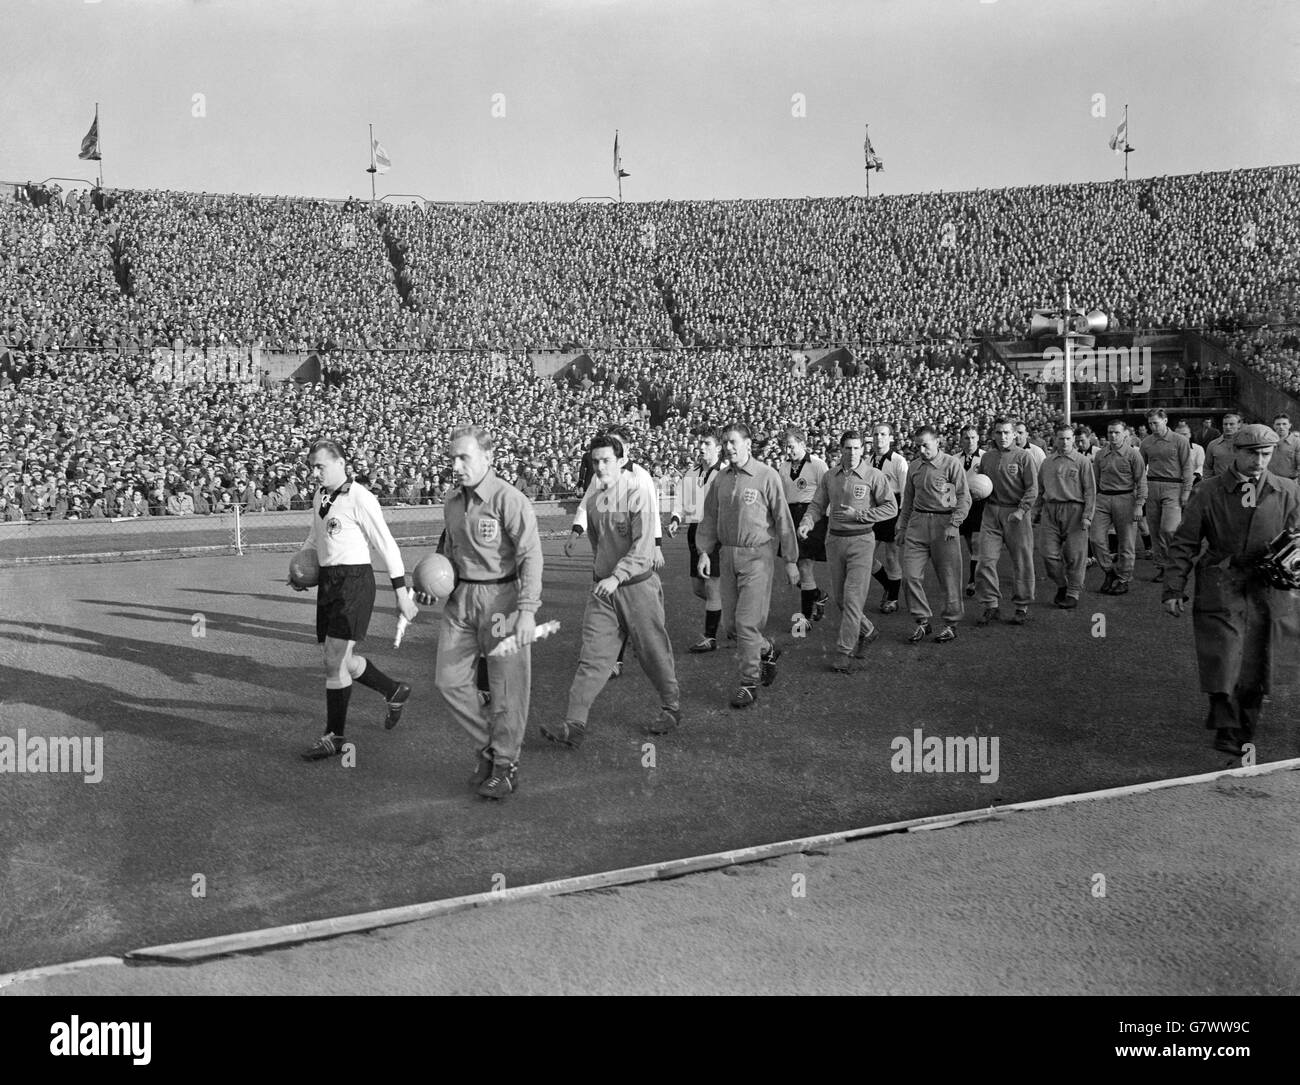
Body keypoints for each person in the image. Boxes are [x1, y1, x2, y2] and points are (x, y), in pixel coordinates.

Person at [1163, 424, 1300, 756]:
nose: (1259, 461)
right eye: (1252, 453)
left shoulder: (1287, 490)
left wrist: (1292, 563)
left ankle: (1243, 729)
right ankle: (1226, 724)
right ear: (1235, 452)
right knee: (1223, 655)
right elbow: (1185, 541)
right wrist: (1173, 588)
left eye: (1266, 454)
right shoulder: (1207, 491)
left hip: (1267, 586)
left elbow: (1297, 536)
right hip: (1220, 580)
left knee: (1254, 663)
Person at [545, 433, 681, 747]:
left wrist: (617, 576)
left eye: (606, 460)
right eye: (595, 462)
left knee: (653, 653)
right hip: (604, 592)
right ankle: (574, 724)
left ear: (621, 462)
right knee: (591, 658)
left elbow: (643, 546)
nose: (601, 467)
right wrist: (602, 575)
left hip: (637, 588)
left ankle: (672, 707)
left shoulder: (637, 494)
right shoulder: (593, 500)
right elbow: (600, 546)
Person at [430, 424, 543, 800]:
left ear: (488, 457)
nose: (457, 466)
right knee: (448, 681)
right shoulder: (451, 501)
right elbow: (448, 551)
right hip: (461, 600)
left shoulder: (509, 499)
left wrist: (527, 611)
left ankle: (506, 765)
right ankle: (489, 747)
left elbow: (531, 557)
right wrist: (433, 584)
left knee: (506, 688)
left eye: (464, 457)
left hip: (502, 600)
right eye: (453, 459)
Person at [295, 438, 419, 762]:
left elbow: (386, 545)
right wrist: (302, 565)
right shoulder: (320, 495)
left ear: (340, 462)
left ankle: (334, 736)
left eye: (320, 466)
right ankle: (393, 690)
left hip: (354, 583)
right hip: (329, 582)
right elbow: (315, 533)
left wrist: (401, 593)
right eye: (312, 467)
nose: (315, 472)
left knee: (333, 660)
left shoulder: (361, 498)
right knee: (339, 660)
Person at [695, 422, 800, 709]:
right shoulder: (721, 479)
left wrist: (790, 561)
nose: (728, 447)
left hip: (758, 556)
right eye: (725, 442)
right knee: (732, 627)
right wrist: (704, 552)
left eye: (733, 442)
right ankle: (767, 649)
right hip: (728, 556)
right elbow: (709, 519)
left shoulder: (767, 475)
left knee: (746, 623)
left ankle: (749, 683)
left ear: (748, 444)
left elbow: (783, 520)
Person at [566, 423, 663, 678]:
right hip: (610, 555)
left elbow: (651, 510)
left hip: (634, 555)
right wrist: (576, 532)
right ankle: (612, 660)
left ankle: (654, 663)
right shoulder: (600, 479)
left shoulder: (641, 476)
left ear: (624, 450)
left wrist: (657, 546)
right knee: (609, 611)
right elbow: (588, 504)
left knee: (638, 620)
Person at [797, 430, 897, 673]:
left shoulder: (874, 475)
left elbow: (891, 507)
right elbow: (818, 504)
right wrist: (807, 521)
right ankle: (868, 631)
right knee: (841, 599)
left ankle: (843, 652)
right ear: (840, 450)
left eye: (856, 448)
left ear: (862, 449)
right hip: (834, 541)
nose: (852, 452)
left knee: (852, 599)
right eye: (847, 448)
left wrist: (861, 515)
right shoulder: (831, 475)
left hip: (861, 541)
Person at [898, 425, 971, 643]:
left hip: (944, 523)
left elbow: (963, 498)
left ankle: (951, 624)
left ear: (937, 442)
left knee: (949, 577)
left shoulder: (951, 464)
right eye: (918, 446)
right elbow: (908, 501)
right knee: (909, 575)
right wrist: (902, 527)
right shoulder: (914, 466)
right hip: (918, 523)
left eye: (926, 445)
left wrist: (954, 523)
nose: (922, 450)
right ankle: (922, 621)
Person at [974, 418, 1039, 625]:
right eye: (999, 432)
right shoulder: (987, 458)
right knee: (985, 560)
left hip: (1016, 513)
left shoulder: (1024, 457)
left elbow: (1032, 489)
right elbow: (982, 484)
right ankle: (991, 605)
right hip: (991, 512)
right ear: (993, 434)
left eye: (1006, 433)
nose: (1002, 437)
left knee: (1022, 561)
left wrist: (1021, 510)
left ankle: (1022, 606)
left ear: (1013, 435)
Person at [667, 428, 726, 652]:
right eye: (700, 443)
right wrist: (675, 518)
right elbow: (681, 501)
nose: (701, 447)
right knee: (698, 588)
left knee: (711, 587)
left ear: (718, 448)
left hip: (715, 533)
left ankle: (710, 638)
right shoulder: (691, 473)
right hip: (694, 530)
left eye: (707, 443)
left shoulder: (725, 473)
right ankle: (726, 610)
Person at [1036, 422, 1097, 609]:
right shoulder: (1047, 462)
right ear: (1055, 439)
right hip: (1051, 510)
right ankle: (1062, 584)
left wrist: (1087, 515)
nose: (1065, 442)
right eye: (1061, 438)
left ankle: (1073, 592)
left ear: (1074, 440)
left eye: (1068, 438)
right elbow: (1040, 490)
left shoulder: (1082, 461)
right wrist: (1034, 512)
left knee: (1075, 556)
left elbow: (1090, 491)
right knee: (1047, 554)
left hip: (1075, 511)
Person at [1090, 420, 1148, 595]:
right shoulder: (1100, 454)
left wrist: (1139, 505)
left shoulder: (1133, 455)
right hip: (1103, 498)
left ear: (1125, 434)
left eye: (1116, 432)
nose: (1113, 436)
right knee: (1095, 538)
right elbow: (1095, 481)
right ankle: (1109, 572)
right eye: (1110, 433)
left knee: (1126, 543)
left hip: (1125, 498)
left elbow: (1141, 481)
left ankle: (1124, 579)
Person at [781, 426, 830, 628]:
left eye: (791, 446)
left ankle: (805, 618)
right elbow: (781, 495)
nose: (788, 451)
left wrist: (825, 520)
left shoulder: (818, 465)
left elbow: (827, 493)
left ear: (802, 443)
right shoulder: (783, 467)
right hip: (790, 517)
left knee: (804, 566)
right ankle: (818, 595)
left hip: (812, 517)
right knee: (794, 569)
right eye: (785, 447)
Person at [1139, 408, 1194, 583]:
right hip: (1152, 485)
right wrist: (1140, 492)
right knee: (1154, 530)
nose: (1153, 426)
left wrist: (1186, 491)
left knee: (1169, 528)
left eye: (1155, 422)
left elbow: (1187, 467)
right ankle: (1163, 566)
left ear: (1165, 420)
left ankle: (1177, 562)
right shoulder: (1146, 442)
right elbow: (1140, 469)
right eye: (1150, 423)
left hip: (1173, 486)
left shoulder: (1180, 440)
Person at [868, 422, 908, 613]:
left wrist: (902, 519)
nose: (879, 438)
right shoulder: (867, 461)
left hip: (893, 509)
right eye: (875, 434)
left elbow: (906, 493)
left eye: (883, 434)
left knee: (892, 556)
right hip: (873, 510)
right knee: (865, 554)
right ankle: (888, 585)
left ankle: (892, 598)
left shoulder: (899, 461)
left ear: (891, 438)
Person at [956, 425, 987, 598]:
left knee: (976, 542)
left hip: (979, 505)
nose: (970, 441)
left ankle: (973, 580)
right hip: (961, 504)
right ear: (961, 440)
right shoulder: (954, 459)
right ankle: (977, 569)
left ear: (978, 439)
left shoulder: (985, 458)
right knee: (970, 543)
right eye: (966, 438)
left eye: (973, 437)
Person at [1204, 412, 1242, 479]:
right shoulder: (1213, 445)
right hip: (1219, 485)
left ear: (1239, 425)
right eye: (1225, 424)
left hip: (1241, 484)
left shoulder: (1245, 444)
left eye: (1231, 424)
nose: (1228, 427)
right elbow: (1207, 468)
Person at [1268, 414, 1300, 481]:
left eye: (1284, 424)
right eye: (1278, 424)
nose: (1281, 427)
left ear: (1289, 425)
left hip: (1289, 481)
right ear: (1273, 426)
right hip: (1269, 480)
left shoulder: (1297, 442)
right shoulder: (1267, 440)